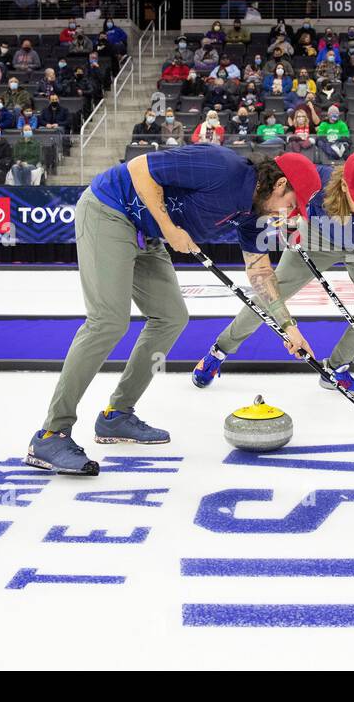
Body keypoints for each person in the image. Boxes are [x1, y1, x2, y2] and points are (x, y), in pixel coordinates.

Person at [26, 146, 319, 474]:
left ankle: (117, 415)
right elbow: (139, 168)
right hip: (110, 210)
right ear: (279, 185)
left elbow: (261, 273)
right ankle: (51, 434)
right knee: (108, 321)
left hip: (146, 232)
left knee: (171, 317)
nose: (288, 215)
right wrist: (168, 229)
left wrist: (289, 327)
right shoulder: (223, 168)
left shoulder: (255, 214)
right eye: (291, 205)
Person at [193, 151, 354, 401]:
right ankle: (219, 351)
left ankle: (337, 368)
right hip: (317, 238)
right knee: (270, 296)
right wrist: (292, 217)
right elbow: (276, 176)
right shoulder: (319, 183)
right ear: (343, 186)